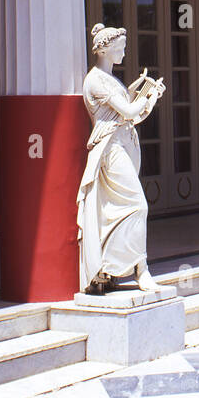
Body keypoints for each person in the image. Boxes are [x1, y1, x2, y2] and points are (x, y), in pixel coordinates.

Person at [77, 23, 166, 295]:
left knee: (119, 209)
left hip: (122, 145)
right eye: (121, 48)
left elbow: (123, 110)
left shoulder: (109, 79)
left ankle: (112, 268)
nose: (125, 53)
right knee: (137, 206)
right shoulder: (95, 80)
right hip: (110, 149)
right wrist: (150, 96)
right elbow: (127, 111)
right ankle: (142, 271)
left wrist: (136, 90)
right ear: (105, 49)